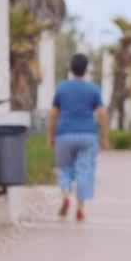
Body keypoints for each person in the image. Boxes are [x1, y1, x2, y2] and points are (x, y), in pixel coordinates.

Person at [47, 53, 109, 222]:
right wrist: (104, 137)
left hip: (64, 134)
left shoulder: (61, 88)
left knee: (64, 168)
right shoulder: (93, 89)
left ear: (70, 68)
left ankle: (66, 195)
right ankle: (80, 209)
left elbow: (53, 114)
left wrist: (51, 136)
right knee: (85, 171)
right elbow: (102, 113)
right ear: (86, 69)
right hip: (88, 135)